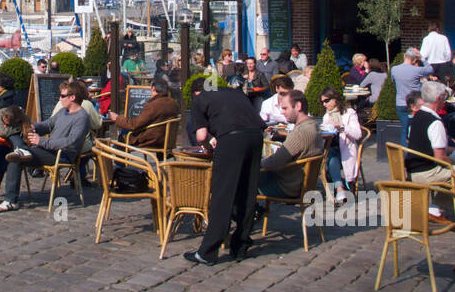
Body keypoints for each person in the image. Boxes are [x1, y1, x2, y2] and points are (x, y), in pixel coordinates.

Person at [183, 76, 266, 265]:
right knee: (248, 191)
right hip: (255, 137)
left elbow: (201, 135)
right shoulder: (233, 93)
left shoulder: (199, 99)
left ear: (196, 92)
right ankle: (240, 247)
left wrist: (208, 147)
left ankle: (208, 252)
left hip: (231, 139)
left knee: (222, 195)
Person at [0, 79, 91, 213]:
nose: (59, 99)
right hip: (48, 150)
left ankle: (11, 200)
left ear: (72, 97)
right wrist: (33, 127)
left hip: (62, 155)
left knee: (16, 157)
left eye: (62, 96)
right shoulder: (63, 112)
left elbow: (71, 142)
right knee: (12, 147)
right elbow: (48, 124)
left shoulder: (82, 117)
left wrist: (41, 142)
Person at [257, 89, 324, 204]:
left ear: (298, 106)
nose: (282, 112)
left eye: (285, 108)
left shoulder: (300, 132)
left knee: (239, 176)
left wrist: (254, 163)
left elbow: (273, 163)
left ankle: (242, 217)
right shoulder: (314, 126)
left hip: (287, 187)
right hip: (303, 185)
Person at [403, 82, 455, 198]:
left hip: (413, 169)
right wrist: (454, 162)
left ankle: (440, 208)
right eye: (444, 98)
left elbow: (427, 146)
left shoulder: (417, 116)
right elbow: (440, 158)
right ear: (439, 98)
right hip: (427, 173)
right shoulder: (435, 122)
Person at [317, 86, 364, 203]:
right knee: (329, 157)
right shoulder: (327, 116)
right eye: (322, 102)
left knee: (332, 159)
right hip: (331, 148)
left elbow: (358, 134)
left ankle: (339, 189)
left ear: (335, 99)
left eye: (326, 101)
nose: (324, 104)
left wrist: (342, 127)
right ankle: (339, 189)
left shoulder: (349, 113)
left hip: (347, 151)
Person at [106, 77, 179, 150]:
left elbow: (135, 125)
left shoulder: (153, 106)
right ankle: (116, 151)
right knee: (125, 132)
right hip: (165, 140)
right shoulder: (173, 103)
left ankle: (119, 160)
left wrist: (117, 118)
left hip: (152, 140)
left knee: (124, 134)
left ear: (153, 88)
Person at [391, 48, 434, 143]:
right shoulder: (416, 70)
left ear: (404, 56)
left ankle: (404, 155)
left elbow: (393, 82)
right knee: (417, 129)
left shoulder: (394, 69)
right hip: (415, 103)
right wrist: (422, 57)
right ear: (415, 60)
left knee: (404, 130)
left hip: (400, 102)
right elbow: (430, 69)